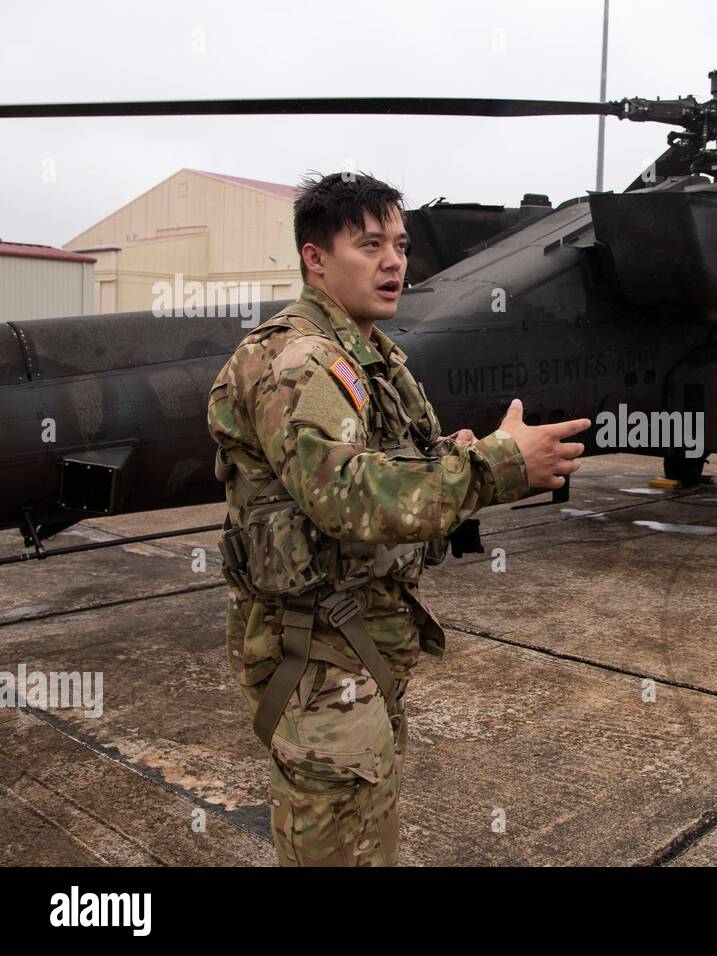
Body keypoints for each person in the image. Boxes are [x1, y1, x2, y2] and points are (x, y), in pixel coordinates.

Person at [208, 171, 588, 865]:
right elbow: (343, 494)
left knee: (367, 842)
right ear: (315, 258)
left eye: (401, 245)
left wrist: (456, 453)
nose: (393, 262)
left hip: (360, 647)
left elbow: (384, 461)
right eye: (370, 244)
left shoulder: (369, 354)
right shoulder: (302, 361)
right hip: (317, 657)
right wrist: (498, 468)